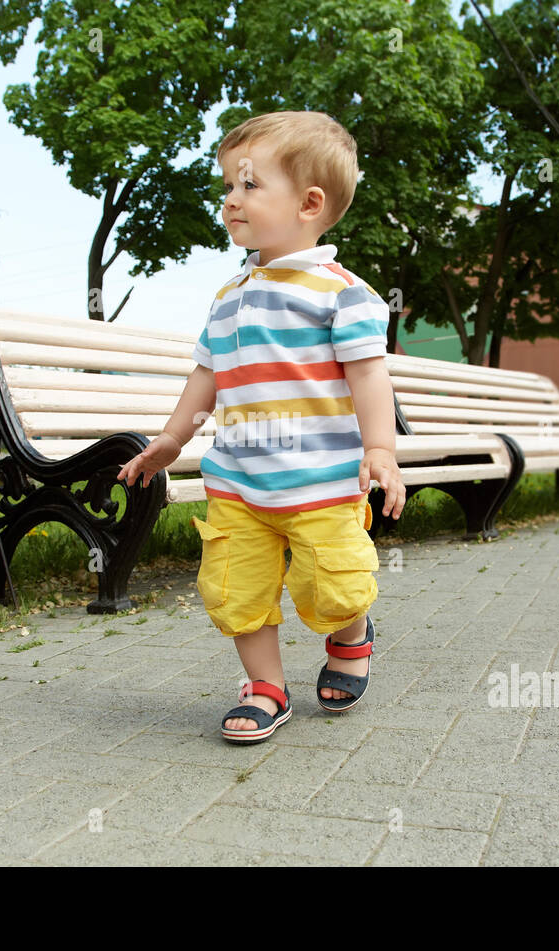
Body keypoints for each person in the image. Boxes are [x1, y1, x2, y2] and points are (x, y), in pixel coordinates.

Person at [116, 111, 407, 743]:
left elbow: (368, 378)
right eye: (227, 187)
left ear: (309, 203)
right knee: (233, 589)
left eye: (249, 185)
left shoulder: (345, 294)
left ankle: (351, 635)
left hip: (323, 482)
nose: (230, 200)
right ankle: (266, 687)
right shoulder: (228, 295)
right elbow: (206, 375)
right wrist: (172, 437)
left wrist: (380, 448)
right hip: (239, 484)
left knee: (334, 586)